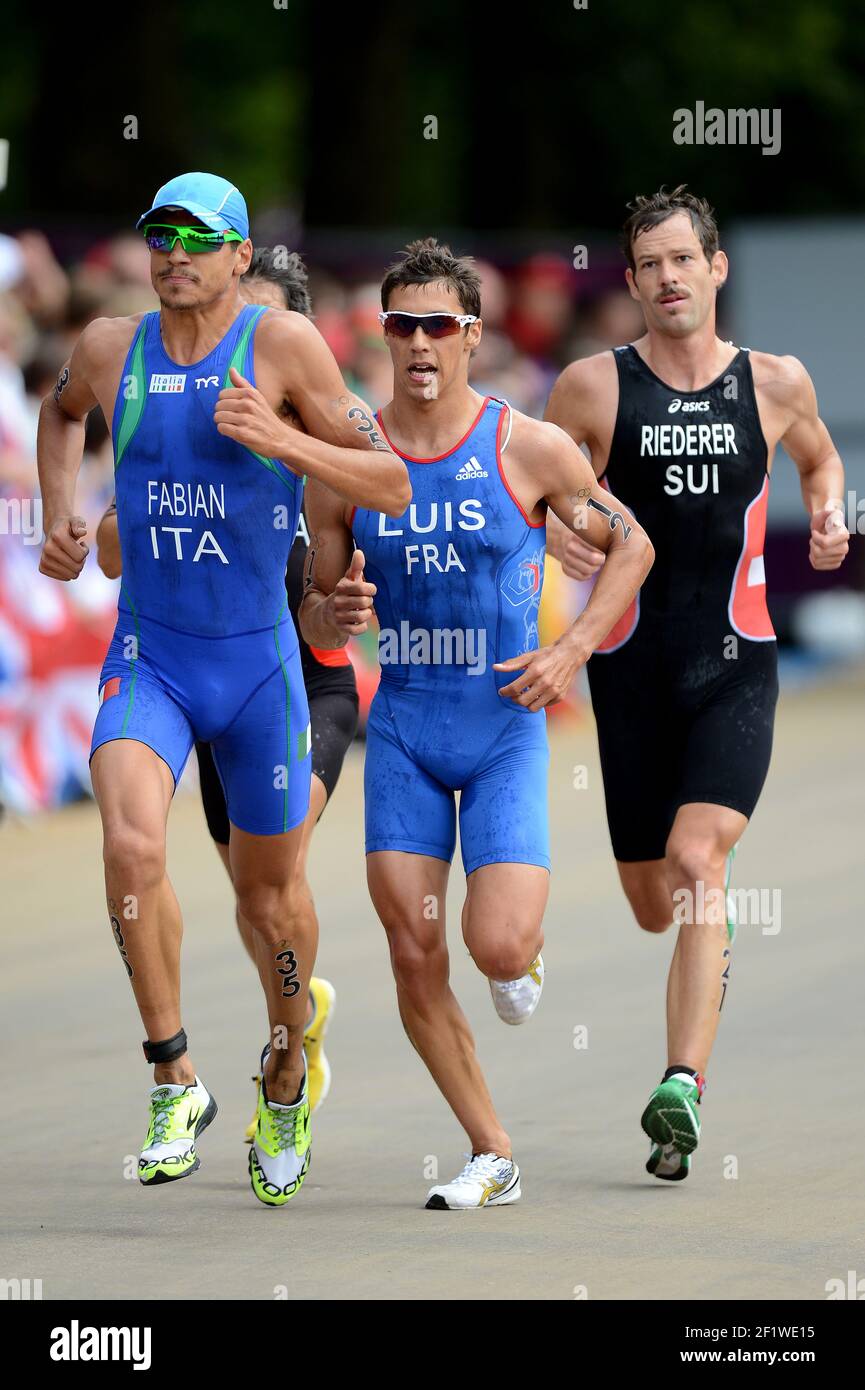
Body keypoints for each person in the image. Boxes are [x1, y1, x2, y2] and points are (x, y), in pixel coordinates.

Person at [37, 172, 409, 1207]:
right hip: (149, 654)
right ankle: (173, 1073)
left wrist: (281, 439)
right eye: (160, 233)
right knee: (130, 846)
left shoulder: (281, 349)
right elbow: (61, 411)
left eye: (199, 237)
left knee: (270, 901)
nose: (174, 251)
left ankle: (286, 1064)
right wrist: (66, 517)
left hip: (259, 674)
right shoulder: (115, 347)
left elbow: (388, 478)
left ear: (241, 255)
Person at [300, 238, 652, 1209]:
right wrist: (331, 617)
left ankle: (520, 949)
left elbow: (633, 546)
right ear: (384, 333)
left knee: (493, 947)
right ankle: (490, 1147)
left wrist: (573, 647)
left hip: (501, 727)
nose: (419, 341)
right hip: (405, 730)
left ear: (470, 337)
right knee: (412, 948)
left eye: (439, 325)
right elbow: (315, 610)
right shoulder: (345, 459)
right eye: (402, 324)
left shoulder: (526, 445)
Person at [545, 185, 849, 1180]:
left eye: (684, 259)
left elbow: (816, 457)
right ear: (629, 282)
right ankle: (701, 964)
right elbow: (545, 499)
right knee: (650, 900)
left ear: (715, 268)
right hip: (629, 676)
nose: (668, 278)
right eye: (649, 265)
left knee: (696, 862)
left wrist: (829, 508)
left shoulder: (775, 380)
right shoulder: (590, 389)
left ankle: (681, 1085)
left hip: (735, 663)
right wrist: (562, 533)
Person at [94, 248, 357, 1133]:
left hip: (304, 686)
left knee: (272, 893)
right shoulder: (172, 414)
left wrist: (338, 605)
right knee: (243, 899)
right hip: (184, 677)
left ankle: (290, 1047)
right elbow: (115, 540)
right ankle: (256, 1033)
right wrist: (108, 521)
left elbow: (331, 614)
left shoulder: (318, 452)